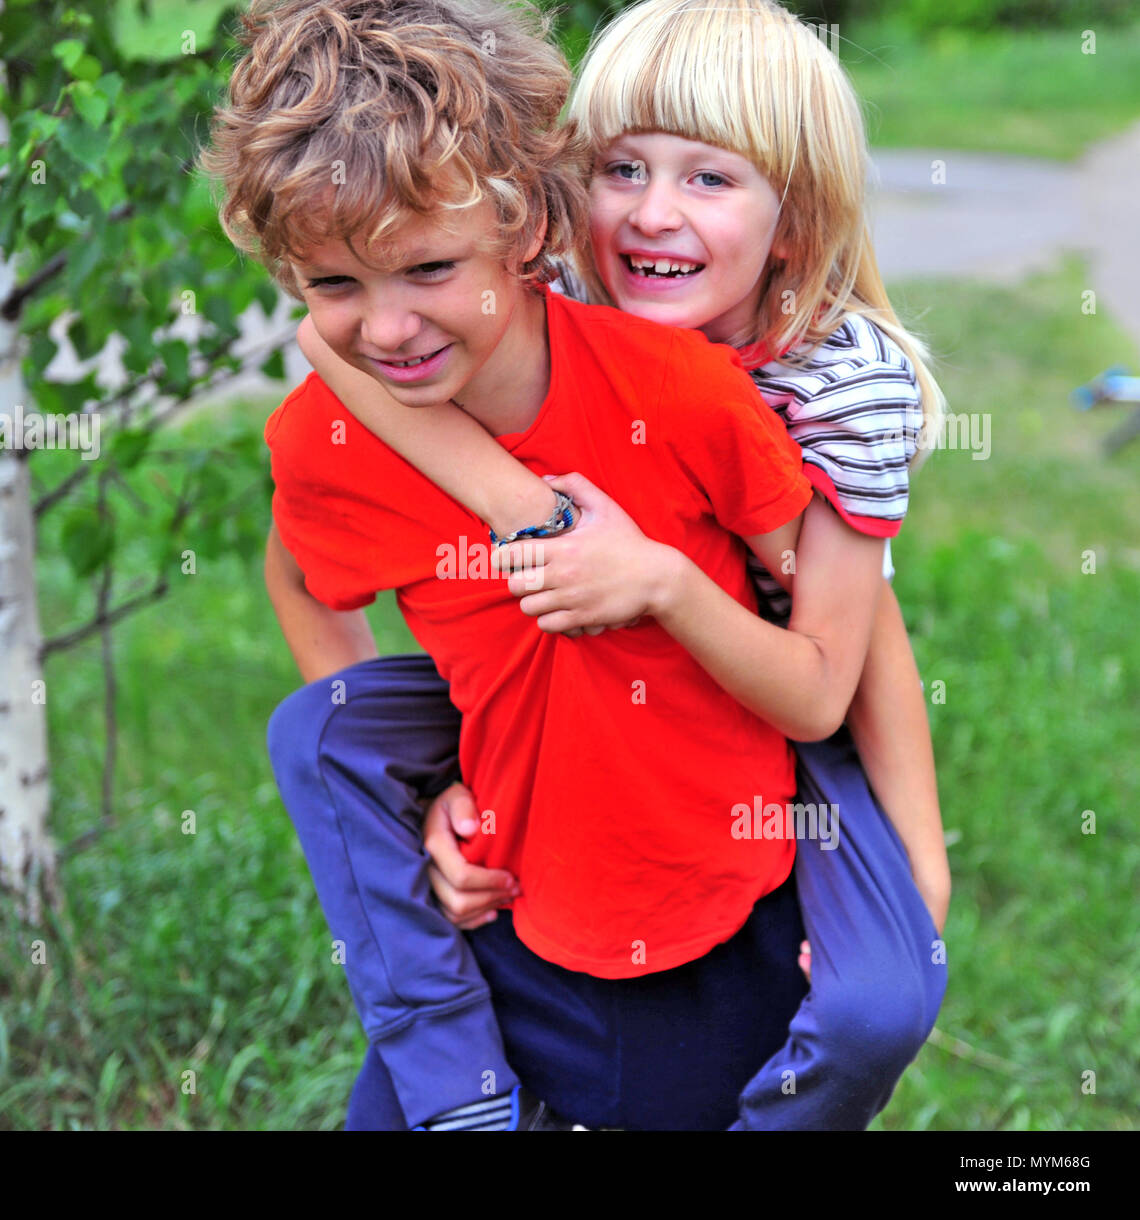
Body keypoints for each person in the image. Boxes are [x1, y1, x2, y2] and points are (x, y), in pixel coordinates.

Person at [208, 0, 938, 1131]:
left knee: (871, 1003)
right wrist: (429, 799)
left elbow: (844, 660)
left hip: (765, 727)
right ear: (565, 195)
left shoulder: (818, 387)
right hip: (531, 737)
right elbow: (322, 447)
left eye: (710, 179)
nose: (389, 329)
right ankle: (450, 1073)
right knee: (318, 729)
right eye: (624, 167)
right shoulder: (507, 318)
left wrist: (918, 878)